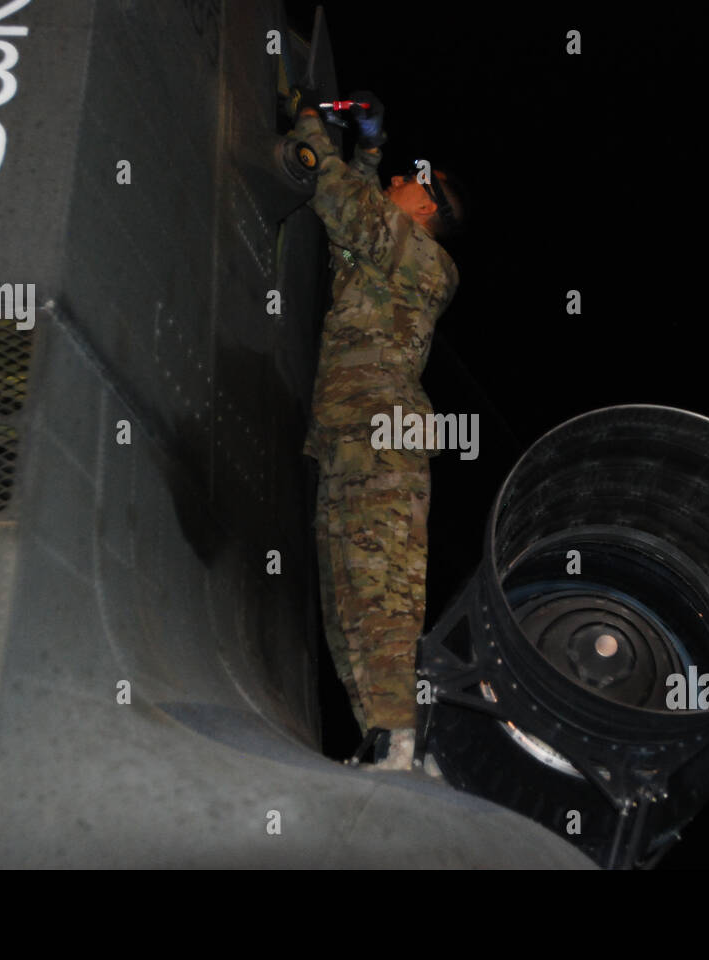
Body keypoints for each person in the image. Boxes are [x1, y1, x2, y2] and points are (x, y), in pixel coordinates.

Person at [291, 89, 463, 770]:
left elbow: (331, 191)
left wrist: (312, 122)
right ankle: (387, 740)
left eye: (406, 181)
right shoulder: (389, 251)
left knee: (379, 588)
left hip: (380, 433)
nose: (395, 181)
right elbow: (358, 201)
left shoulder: (416, 254)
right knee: (347, 598)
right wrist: (366, 147)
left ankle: (406, 740)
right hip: (352, 433)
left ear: (424, 209)